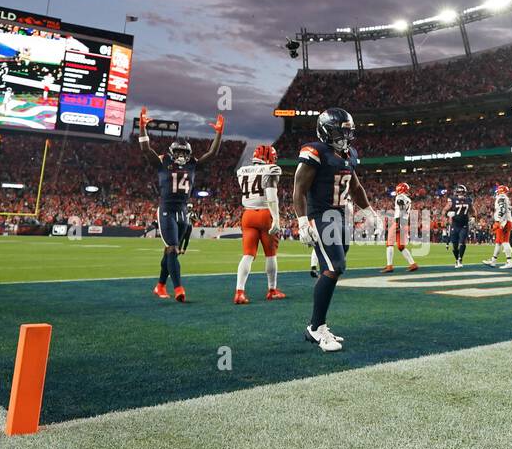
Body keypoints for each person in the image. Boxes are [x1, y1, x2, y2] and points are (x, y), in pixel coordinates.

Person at [293, 108, 376, 352]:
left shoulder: (349, 154)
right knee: (334, 267)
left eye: (348, 132)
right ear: (326, 131)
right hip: (321, 215)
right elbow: (299, 189)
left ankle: (318, 325)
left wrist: (368, 211)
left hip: (339, 215)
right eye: (340, 132)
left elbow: (355, 187)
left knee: (332, 269)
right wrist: (302, 221)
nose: (345, 137)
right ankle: (316, 328)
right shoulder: (315, 151)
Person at [138, 107, 224, 302]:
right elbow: (145, 149)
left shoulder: (193, 163)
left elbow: (212, 153)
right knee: (172, 249)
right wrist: (142, 127)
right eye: (178, 152)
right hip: (167, 210)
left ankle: (160, 285)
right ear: (171, 151)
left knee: (170, 250)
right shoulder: (163, 162)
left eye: (184, 152)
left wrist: (219, 133)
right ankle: (178, 289)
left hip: (183, 211)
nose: (181, 155)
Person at [233, 144, 286, 303]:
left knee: (248, 255)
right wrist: (276, 218)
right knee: (271, 254)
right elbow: (271, 197)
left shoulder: (242, 171)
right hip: (264, 214)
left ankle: (239, 292)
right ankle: (272, 290)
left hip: (247, 215)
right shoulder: (271, 169)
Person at [382, 182, 419, 273]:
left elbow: (401, 210)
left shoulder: (400, 197)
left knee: (389, 243)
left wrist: (398, 223)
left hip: (399, 221)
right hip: (405, 223)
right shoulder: (408, 199)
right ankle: (413, 264)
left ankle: (389, 266)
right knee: (401, 246)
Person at [484, 184, 512, 269]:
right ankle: (493, 261)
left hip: (503, 221)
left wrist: (500, 221)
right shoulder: (505, 198)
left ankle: (509, 262)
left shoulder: (501, 197)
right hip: (506, 221)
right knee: (498, 242)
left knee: (504, 241)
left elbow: (502, 209)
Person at [444, 183, 471, 268]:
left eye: (462, 192)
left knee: (462, 242)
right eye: (459, 192)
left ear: (465, 193)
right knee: (455, 246)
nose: (461, 194)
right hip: (454, 225)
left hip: (464, 225)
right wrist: (447, 215)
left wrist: (474, 218)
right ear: (457, 193)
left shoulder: (468, 200)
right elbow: (444, 210)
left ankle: (460, 259)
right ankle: (457, 259)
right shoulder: (452, 200)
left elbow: (474, 210)